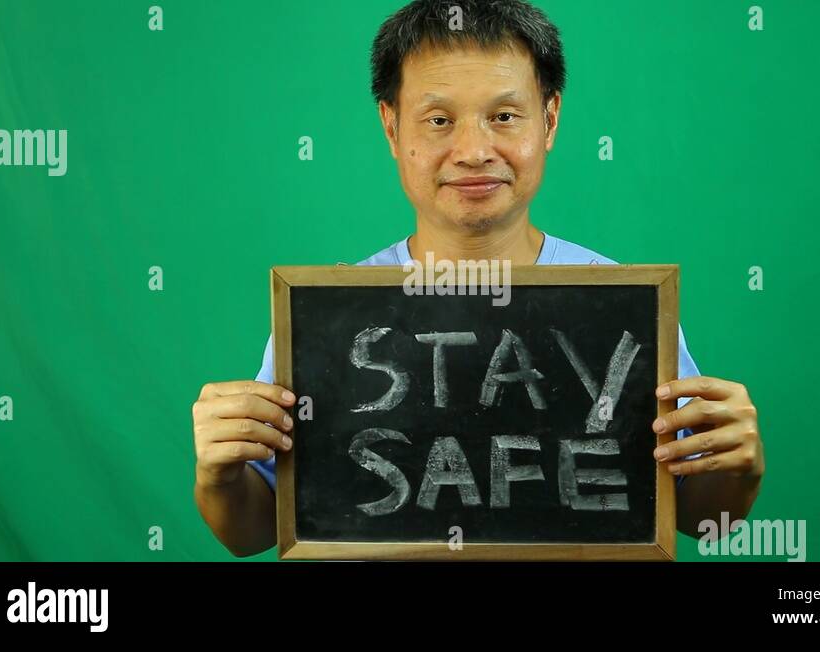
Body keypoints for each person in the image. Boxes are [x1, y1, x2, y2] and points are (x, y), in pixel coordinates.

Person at [193, 0, 764, 557]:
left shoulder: (620, 301)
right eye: (439, 120)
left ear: (550, 119)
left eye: (504, 117)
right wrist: (218, 473)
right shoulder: (330, 313)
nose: (472, 151)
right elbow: (257, 531)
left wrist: (740, 466)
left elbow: (694, 517)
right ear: (391, 126)